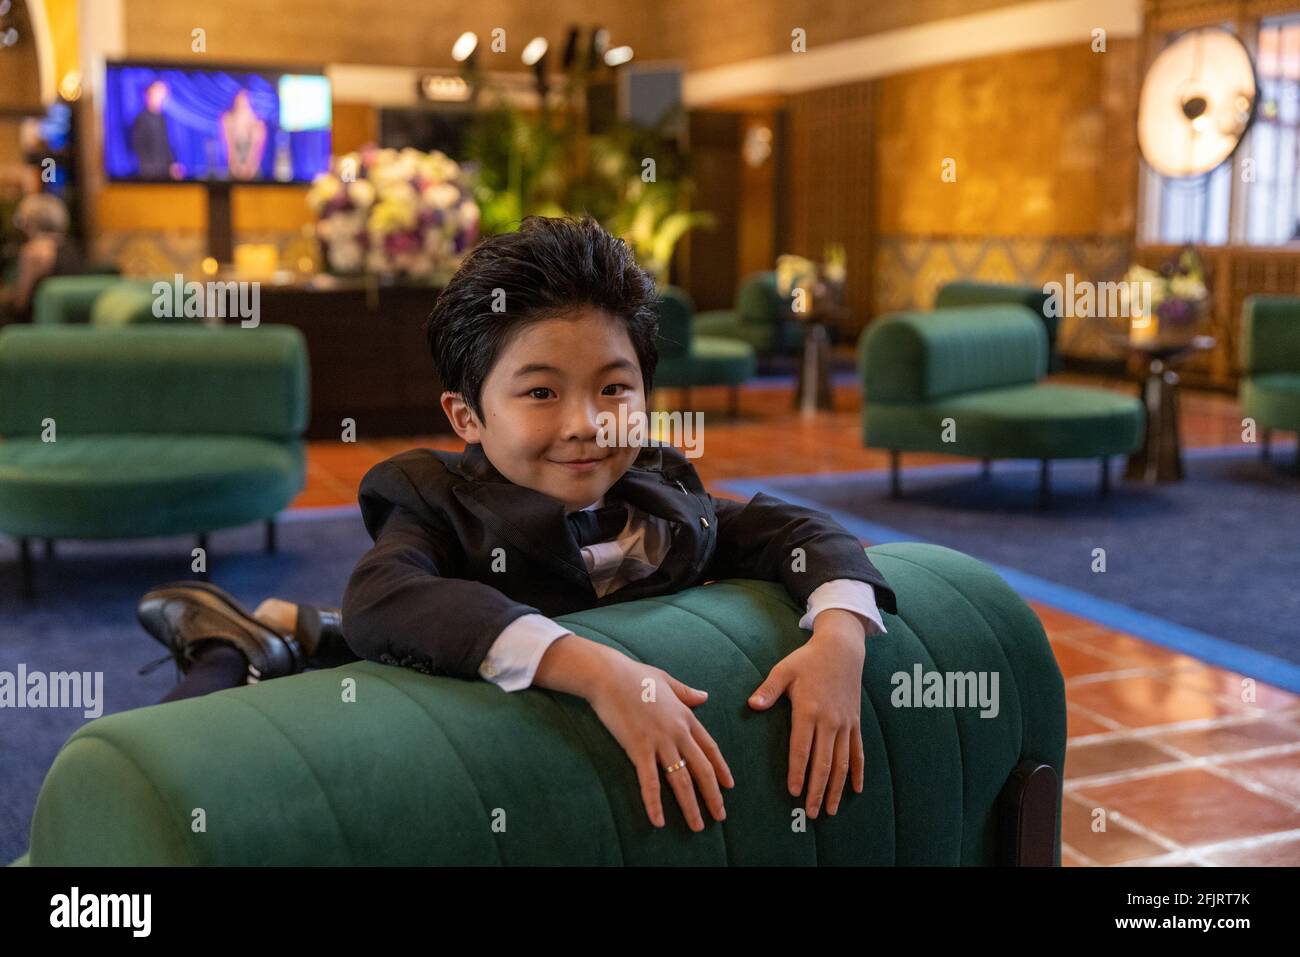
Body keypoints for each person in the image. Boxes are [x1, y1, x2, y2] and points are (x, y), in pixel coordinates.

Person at [136, 215, 899, 832]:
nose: (585, 424)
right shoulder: (437, 500)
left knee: (325, 634)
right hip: (411, 655)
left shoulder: (662, 494)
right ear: (467, 416)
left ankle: (295, 628)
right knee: (191, 734)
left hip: (442, 647)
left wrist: (838, 634)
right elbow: (383, 594)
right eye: (539, 393)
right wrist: (594, 667)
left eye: (614, 388)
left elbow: (798, 531)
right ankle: (231, 644)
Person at [0, 192, 83, 325]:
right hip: (70, 319)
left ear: (29, 222)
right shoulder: (70, 247)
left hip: (34, 321)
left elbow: (21, 303)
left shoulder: (33, 251)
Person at [130, 79, 182, 180]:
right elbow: (140, 150)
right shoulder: (141, 119)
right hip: (150, 177)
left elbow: (167, 147)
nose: (162, 96)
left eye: (164, 93)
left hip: (166, 175)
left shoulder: (164, 118)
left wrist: (173, 165)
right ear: (149, 94)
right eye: (158, 92)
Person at [221, 90, 266, 180]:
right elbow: (228, 147)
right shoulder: (228, 120)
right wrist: (235, 167)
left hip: (253, 169)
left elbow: (257, 151)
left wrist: (250, 168)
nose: (242, 104)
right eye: (239, 101)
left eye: (245, 101)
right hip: (233, 168)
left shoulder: (258, 123)